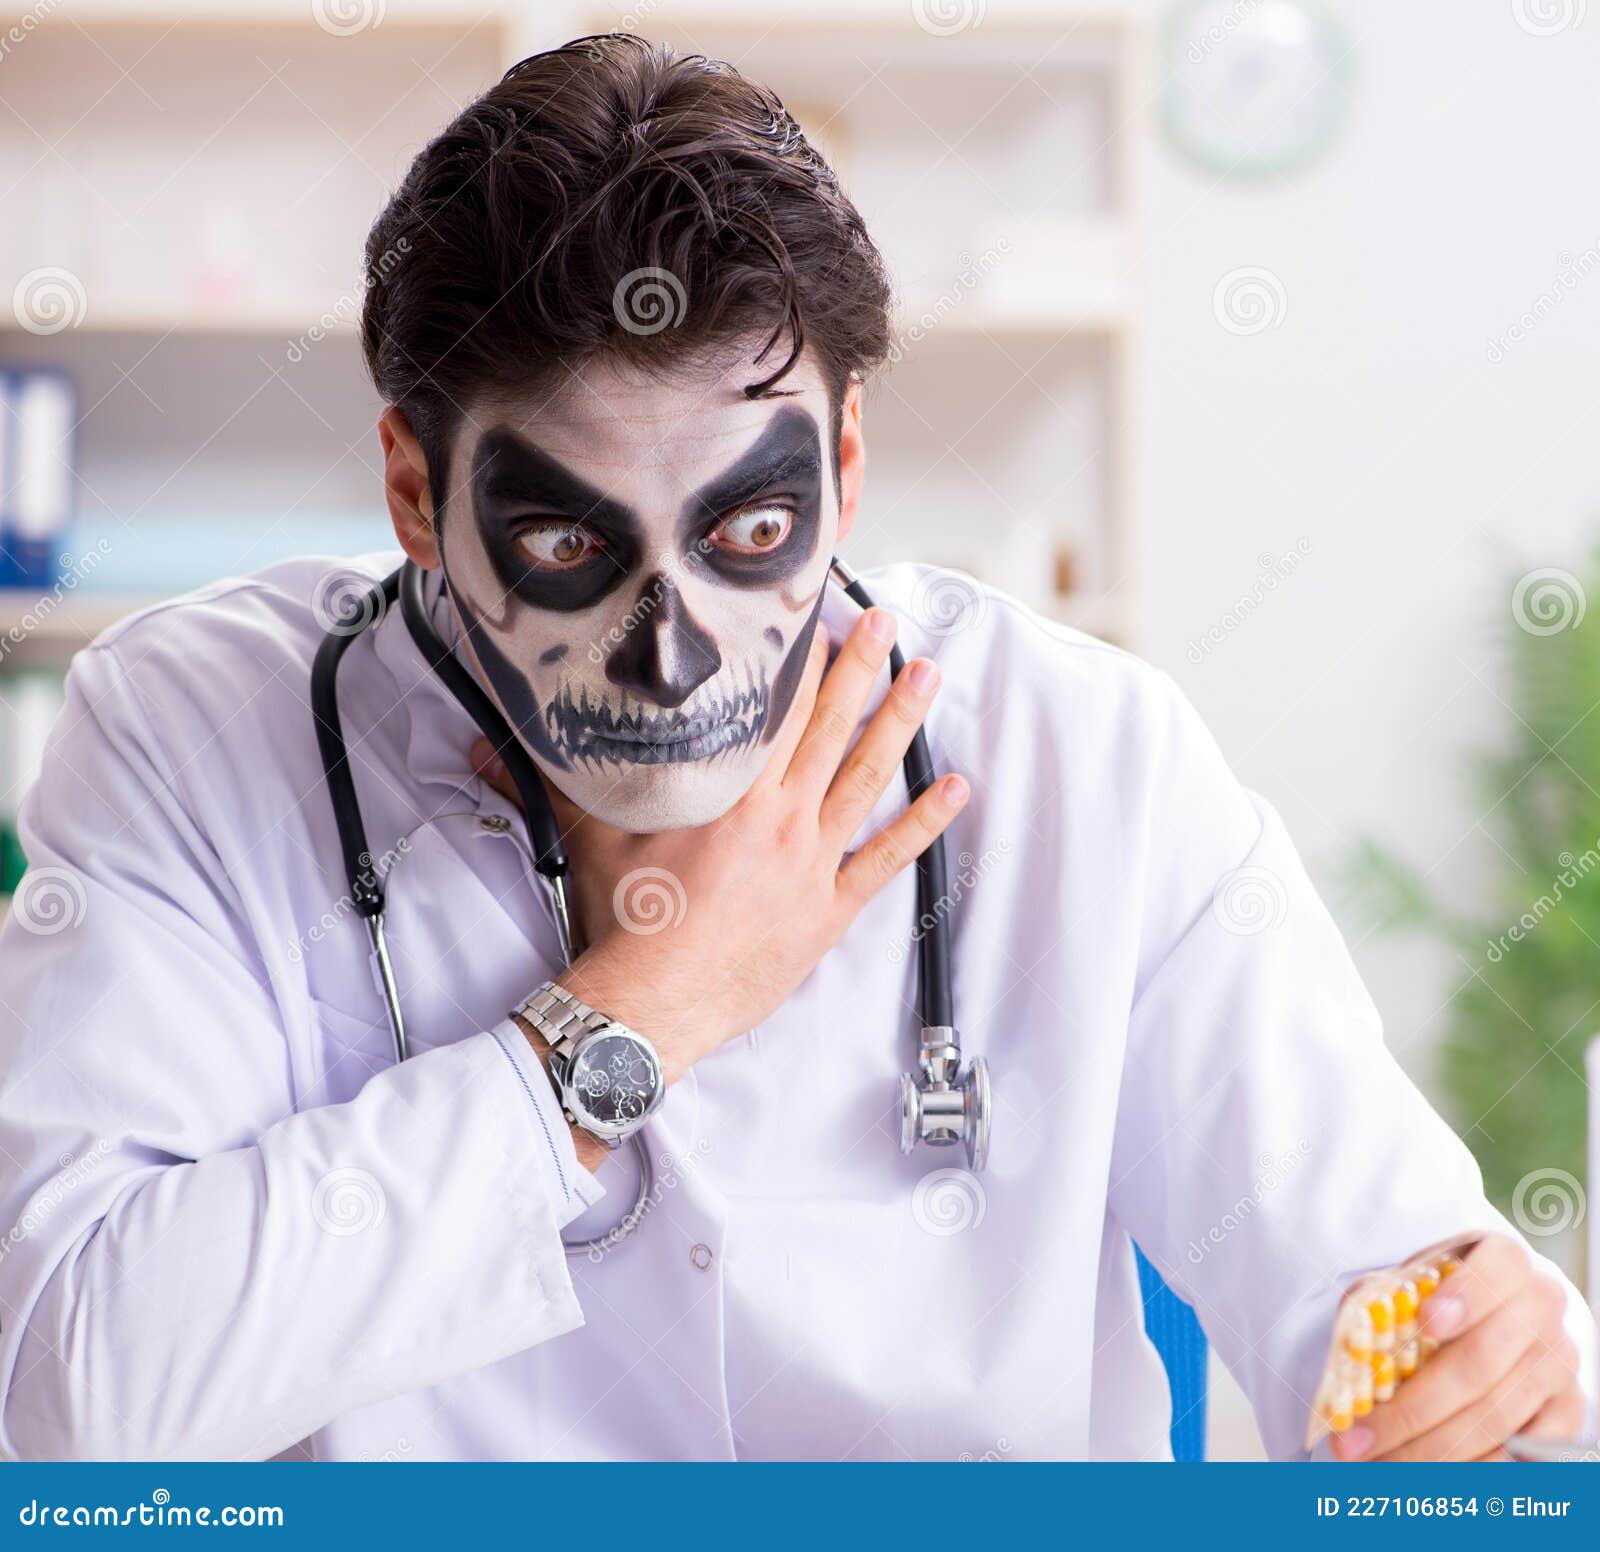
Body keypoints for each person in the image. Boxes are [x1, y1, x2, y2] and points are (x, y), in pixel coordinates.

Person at [0, 34, 1590, 1463]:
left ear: (846, 460)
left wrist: (1488, 1372)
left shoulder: (1083, 760)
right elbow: (68, 1403)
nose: (672, 655)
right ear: (416, 493)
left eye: (751, 530)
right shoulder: (193, 735)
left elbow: (1405, 1320)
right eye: (567, 545)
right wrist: (641, 1010)